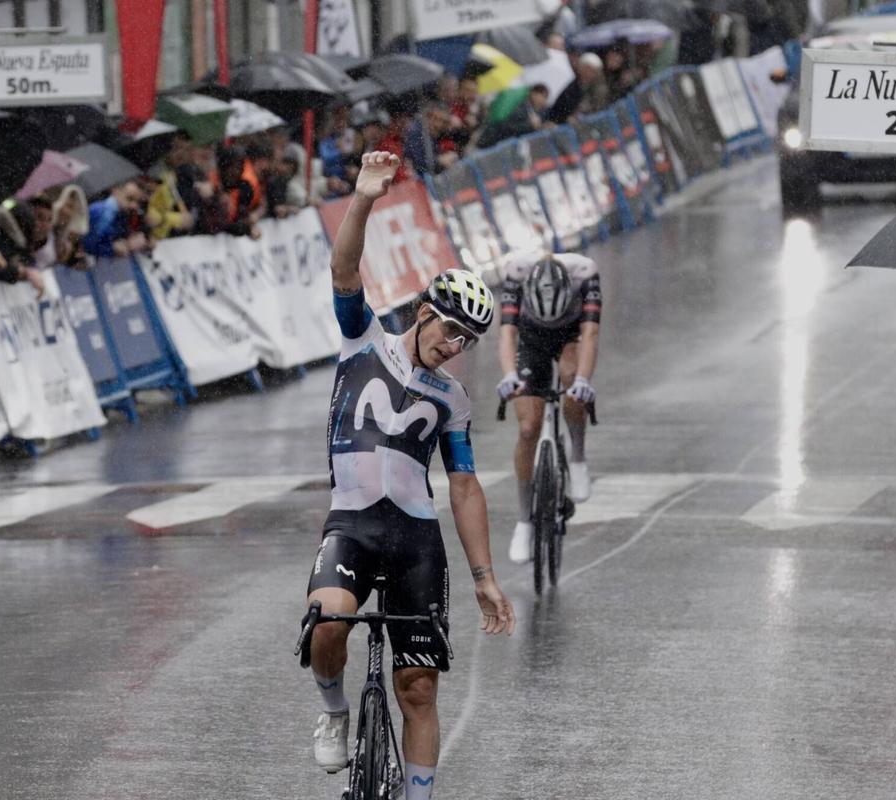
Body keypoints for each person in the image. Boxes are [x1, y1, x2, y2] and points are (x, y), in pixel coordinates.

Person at [305, 152, 514, 800]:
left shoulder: (453, 398)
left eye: (467, 341)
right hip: (352, 527)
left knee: (418, 687)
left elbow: (465, 485)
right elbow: (344, 269)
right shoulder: (362, 343)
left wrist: (484, 578)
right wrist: (364, 196)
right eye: (451, 330)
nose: (453, 346)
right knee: (328, 626)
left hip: (416, 543)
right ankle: (337, 713)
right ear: (425, 310)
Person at [496, 253, 602, 564]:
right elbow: (507, 334)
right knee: (528, 428)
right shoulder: (515, 272)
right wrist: (508, 376)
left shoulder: (585, 273)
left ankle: (578, 457)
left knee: (572, 379)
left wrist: (583, 380)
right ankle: (525, 521)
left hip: (571, 336)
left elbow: (591, 334)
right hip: (530, 340)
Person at [548, 52, 608, 124]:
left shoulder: (597, 88)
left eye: (593, 71)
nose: (589, 73)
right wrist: (567, 118)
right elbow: (559, 110)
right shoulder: (570, 86)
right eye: (587, 69)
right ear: (580, 68)